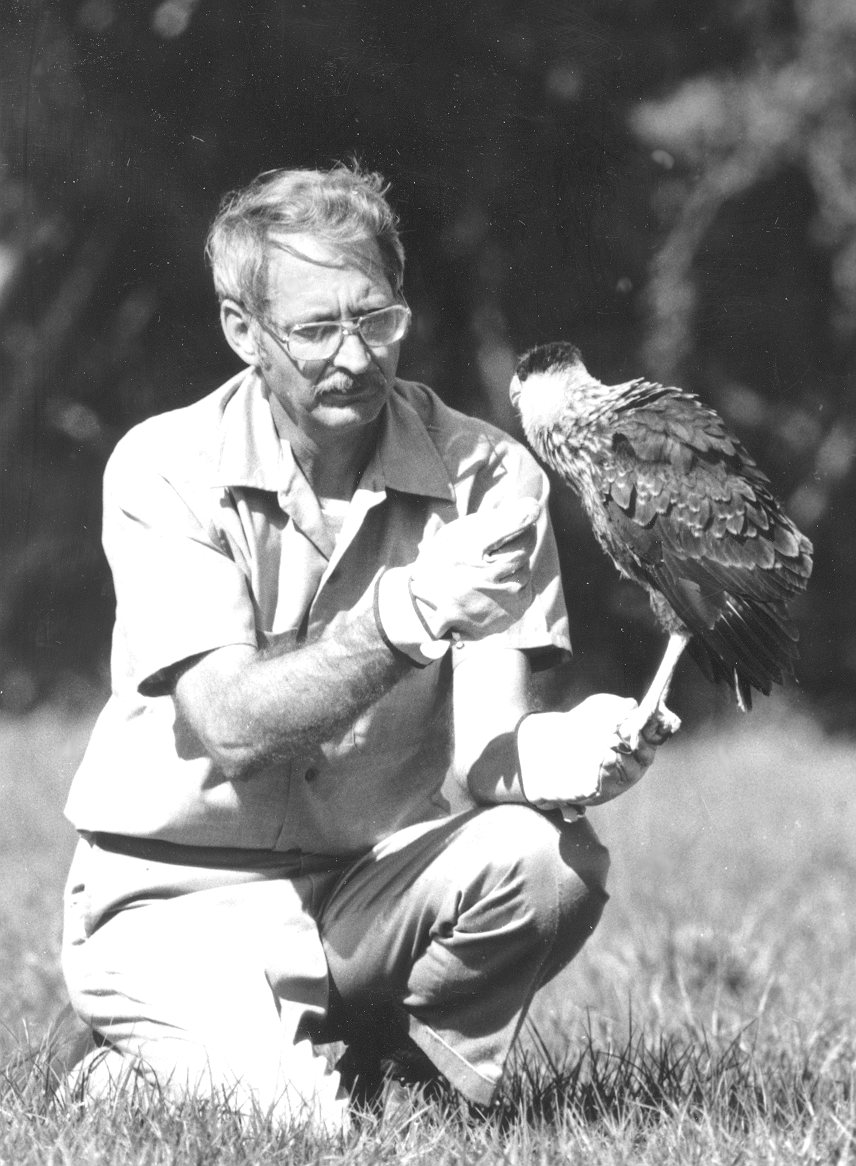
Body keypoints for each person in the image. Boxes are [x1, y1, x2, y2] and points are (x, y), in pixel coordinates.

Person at [60, 164, 666, 1131]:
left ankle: (399, 1066)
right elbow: (232, 726)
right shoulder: (162, 465)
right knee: (303, 1129)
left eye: (376, 320)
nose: (353, 357)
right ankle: (145, 1074)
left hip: (364, 886)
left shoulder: (489, 473)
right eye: (313, 331)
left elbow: (489, 757)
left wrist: (571, 755)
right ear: (241, 330)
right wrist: (409, 616)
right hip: (177, 894)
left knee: (544, 856)